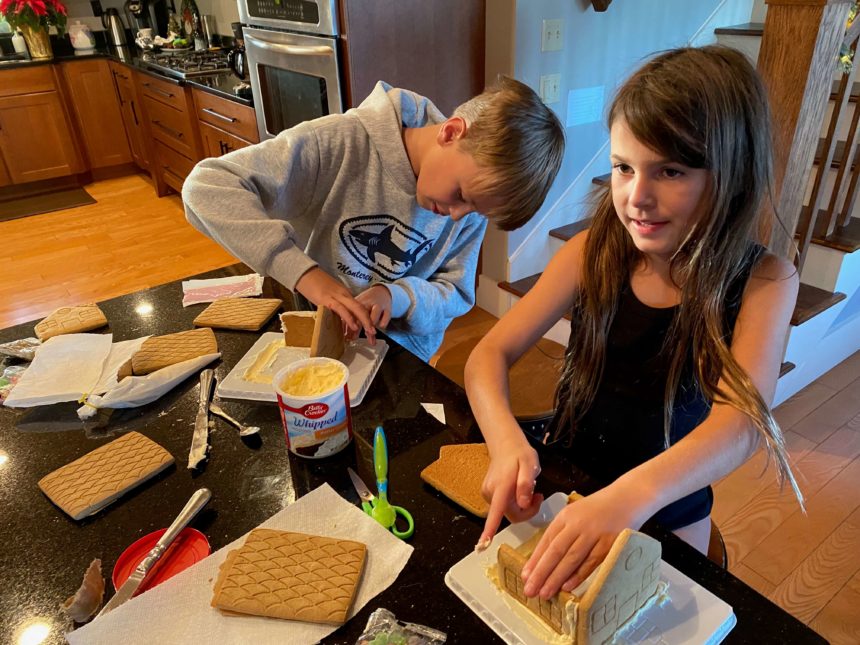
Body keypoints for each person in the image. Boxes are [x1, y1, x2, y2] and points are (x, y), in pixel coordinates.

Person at [464, 45, 804, 601]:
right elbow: (487, 356)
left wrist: (631, 496)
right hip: (568, 478)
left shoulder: (768, 280)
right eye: (624, 167)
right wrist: (505, 443)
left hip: (668, 505)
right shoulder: (591, 252)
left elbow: (740, 426)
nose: (636, 197)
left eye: (669, 171)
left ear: (733, 174)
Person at [183, 77, 564, 362]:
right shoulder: (340, 143)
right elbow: (205, 186)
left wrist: (398, 296)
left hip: (400, 359)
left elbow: (457, 293)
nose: (457, 215)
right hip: (308, 337)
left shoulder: (469, 207)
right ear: (450, 132)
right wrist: (307, 276)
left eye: (475, 210)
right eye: (461, 196)